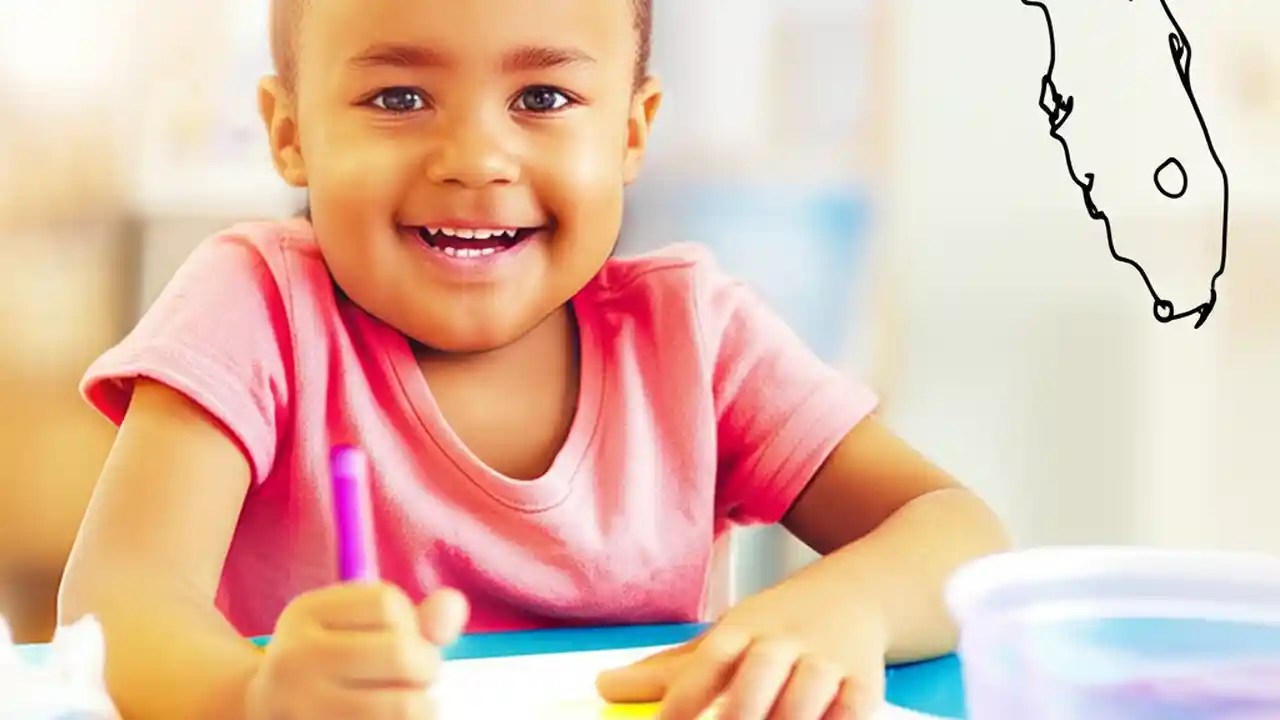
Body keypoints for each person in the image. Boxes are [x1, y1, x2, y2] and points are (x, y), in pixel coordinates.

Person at [58, 1, 1010, 718]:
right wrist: (253, 697)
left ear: (630, 131)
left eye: (542, 98)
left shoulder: (697, 336)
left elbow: (958, 531)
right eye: (399, 97)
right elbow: (117, 605)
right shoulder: (254, 306)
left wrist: (845, 611)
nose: (476, 158)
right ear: (290, 132)